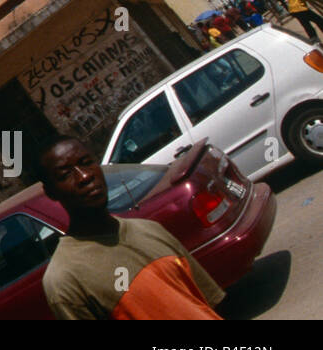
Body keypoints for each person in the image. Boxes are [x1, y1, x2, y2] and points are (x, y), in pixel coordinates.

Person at [37, 137, 224, 320]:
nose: (84, 176)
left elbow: (209, 303)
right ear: (51, 191)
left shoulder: (151, 230)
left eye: (87, 163)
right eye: (65, 174)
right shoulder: (65, 279)